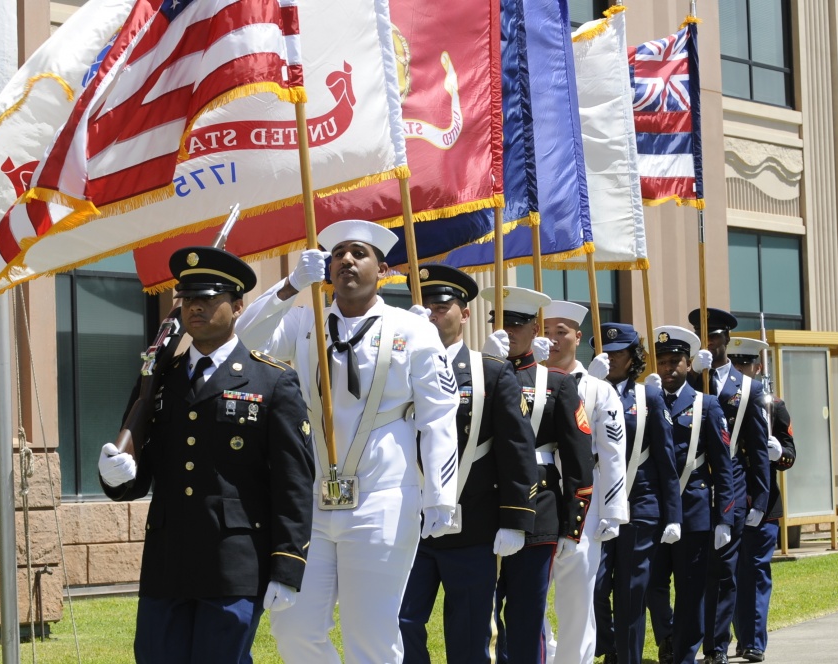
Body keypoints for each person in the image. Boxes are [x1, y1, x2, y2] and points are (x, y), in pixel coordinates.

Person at [233, 220, 460, 664]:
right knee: (293, 630)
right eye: (338, 254)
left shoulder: (412, 329)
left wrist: (440, 494)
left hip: (384, 500)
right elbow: (243, 338)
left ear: (383, 269)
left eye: (359, 253)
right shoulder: (306, 322)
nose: (346, 261)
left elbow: (439, 414)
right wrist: (290, 286)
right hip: (313, 503)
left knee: (370, 637)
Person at [97, 246, 315, 664]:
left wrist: (288, 564)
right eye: (188, 298)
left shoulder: (272, 380)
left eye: (208, 298)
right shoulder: (159, 378)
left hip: (234, 562)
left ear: (238, 306)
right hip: (167, 561)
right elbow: (142, 472)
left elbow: (294, 482)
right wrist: (116, 475)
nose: (195, 307)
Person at [399, 265, 539, 664]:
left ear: (464, 314)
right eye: (424, 306)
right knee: (399, 623)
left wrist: (515, 519)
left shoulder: (489, 372)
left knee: (471, 631)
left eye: (441, 306)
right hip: (409, 523)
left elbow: (516, 448)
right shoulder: (396, 369)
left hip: (472, 525)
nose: (431, 313)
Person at [479, 286, 595, 664]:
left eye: (518, 324)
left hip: (538, 509)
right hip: (483, 508)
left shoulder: (556, 384)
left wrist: (573, 527)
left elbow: (578, 461)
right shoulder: (476, 377)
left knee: (527, 618)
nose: (509, 331)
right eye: (502, 323)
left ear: (534, 329)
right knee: (480, 619)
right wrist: (484, 365)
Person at [540, 301, 628, 664]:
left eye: (561, 332)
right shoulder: (528, 383)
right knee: (528, 593)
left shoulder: (597, 389)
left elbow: (612, 452)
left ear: (578, 337)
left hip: (583, 503)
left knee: (577, 598)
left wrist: (612, 510)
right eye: (545, 332)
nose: (552, 339)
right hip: (538, 499)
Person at [591, 322, 681, 664]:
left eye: (619, 353)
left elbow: (666, 461)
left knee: (631, 591)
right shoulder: (587, 390)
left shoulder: (649, 397)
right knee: (596, 585)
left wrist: (673, 516)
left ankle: (627, 657)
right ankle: (610, 646)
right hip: (597, 505)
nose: (611, 358)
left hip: (638, 505)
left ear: (633, 357)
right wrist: (585, 385)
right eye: (606, 352)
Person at [643, 325, 734, 664]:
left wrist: (724, 517)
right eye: (662, 361)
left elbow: (723, 467)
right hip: (654, 509)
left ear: (688, 363)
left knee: (690, 589)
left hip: (693, 510)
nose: (668, 368)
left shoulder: (706, 405)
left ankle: (684, 655)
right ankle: (667, 636)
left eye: (675, 361)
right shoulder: (645, 401)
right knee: (652, 584)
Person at [686, 308, 770, 664]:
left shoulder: (747, 387)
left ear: (727, 339)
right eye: (703, 335)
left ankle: (717, 647)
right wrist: (693, 374)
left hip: (730, 481)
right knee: (691, 568)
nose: (709, 342)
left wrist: (761, 498)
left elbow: (758, 447)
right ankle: (684, 641)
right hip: (691, 479)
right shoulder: (688, 379)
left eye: (715, 336)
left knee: (723, 568)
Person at [728, 337, 796, 663]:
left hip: (763, 503)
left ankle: (753, 641)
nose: (741, 370)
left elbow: (790, 454)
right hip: (730, 500)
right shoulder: (720, 400)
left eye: (746, 365)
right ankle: (736, 637)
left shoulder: (774, 405)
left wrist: (778, 452)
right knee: (729, 573)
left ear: (757, 368)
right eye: (735, 364)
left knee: (755, 571)